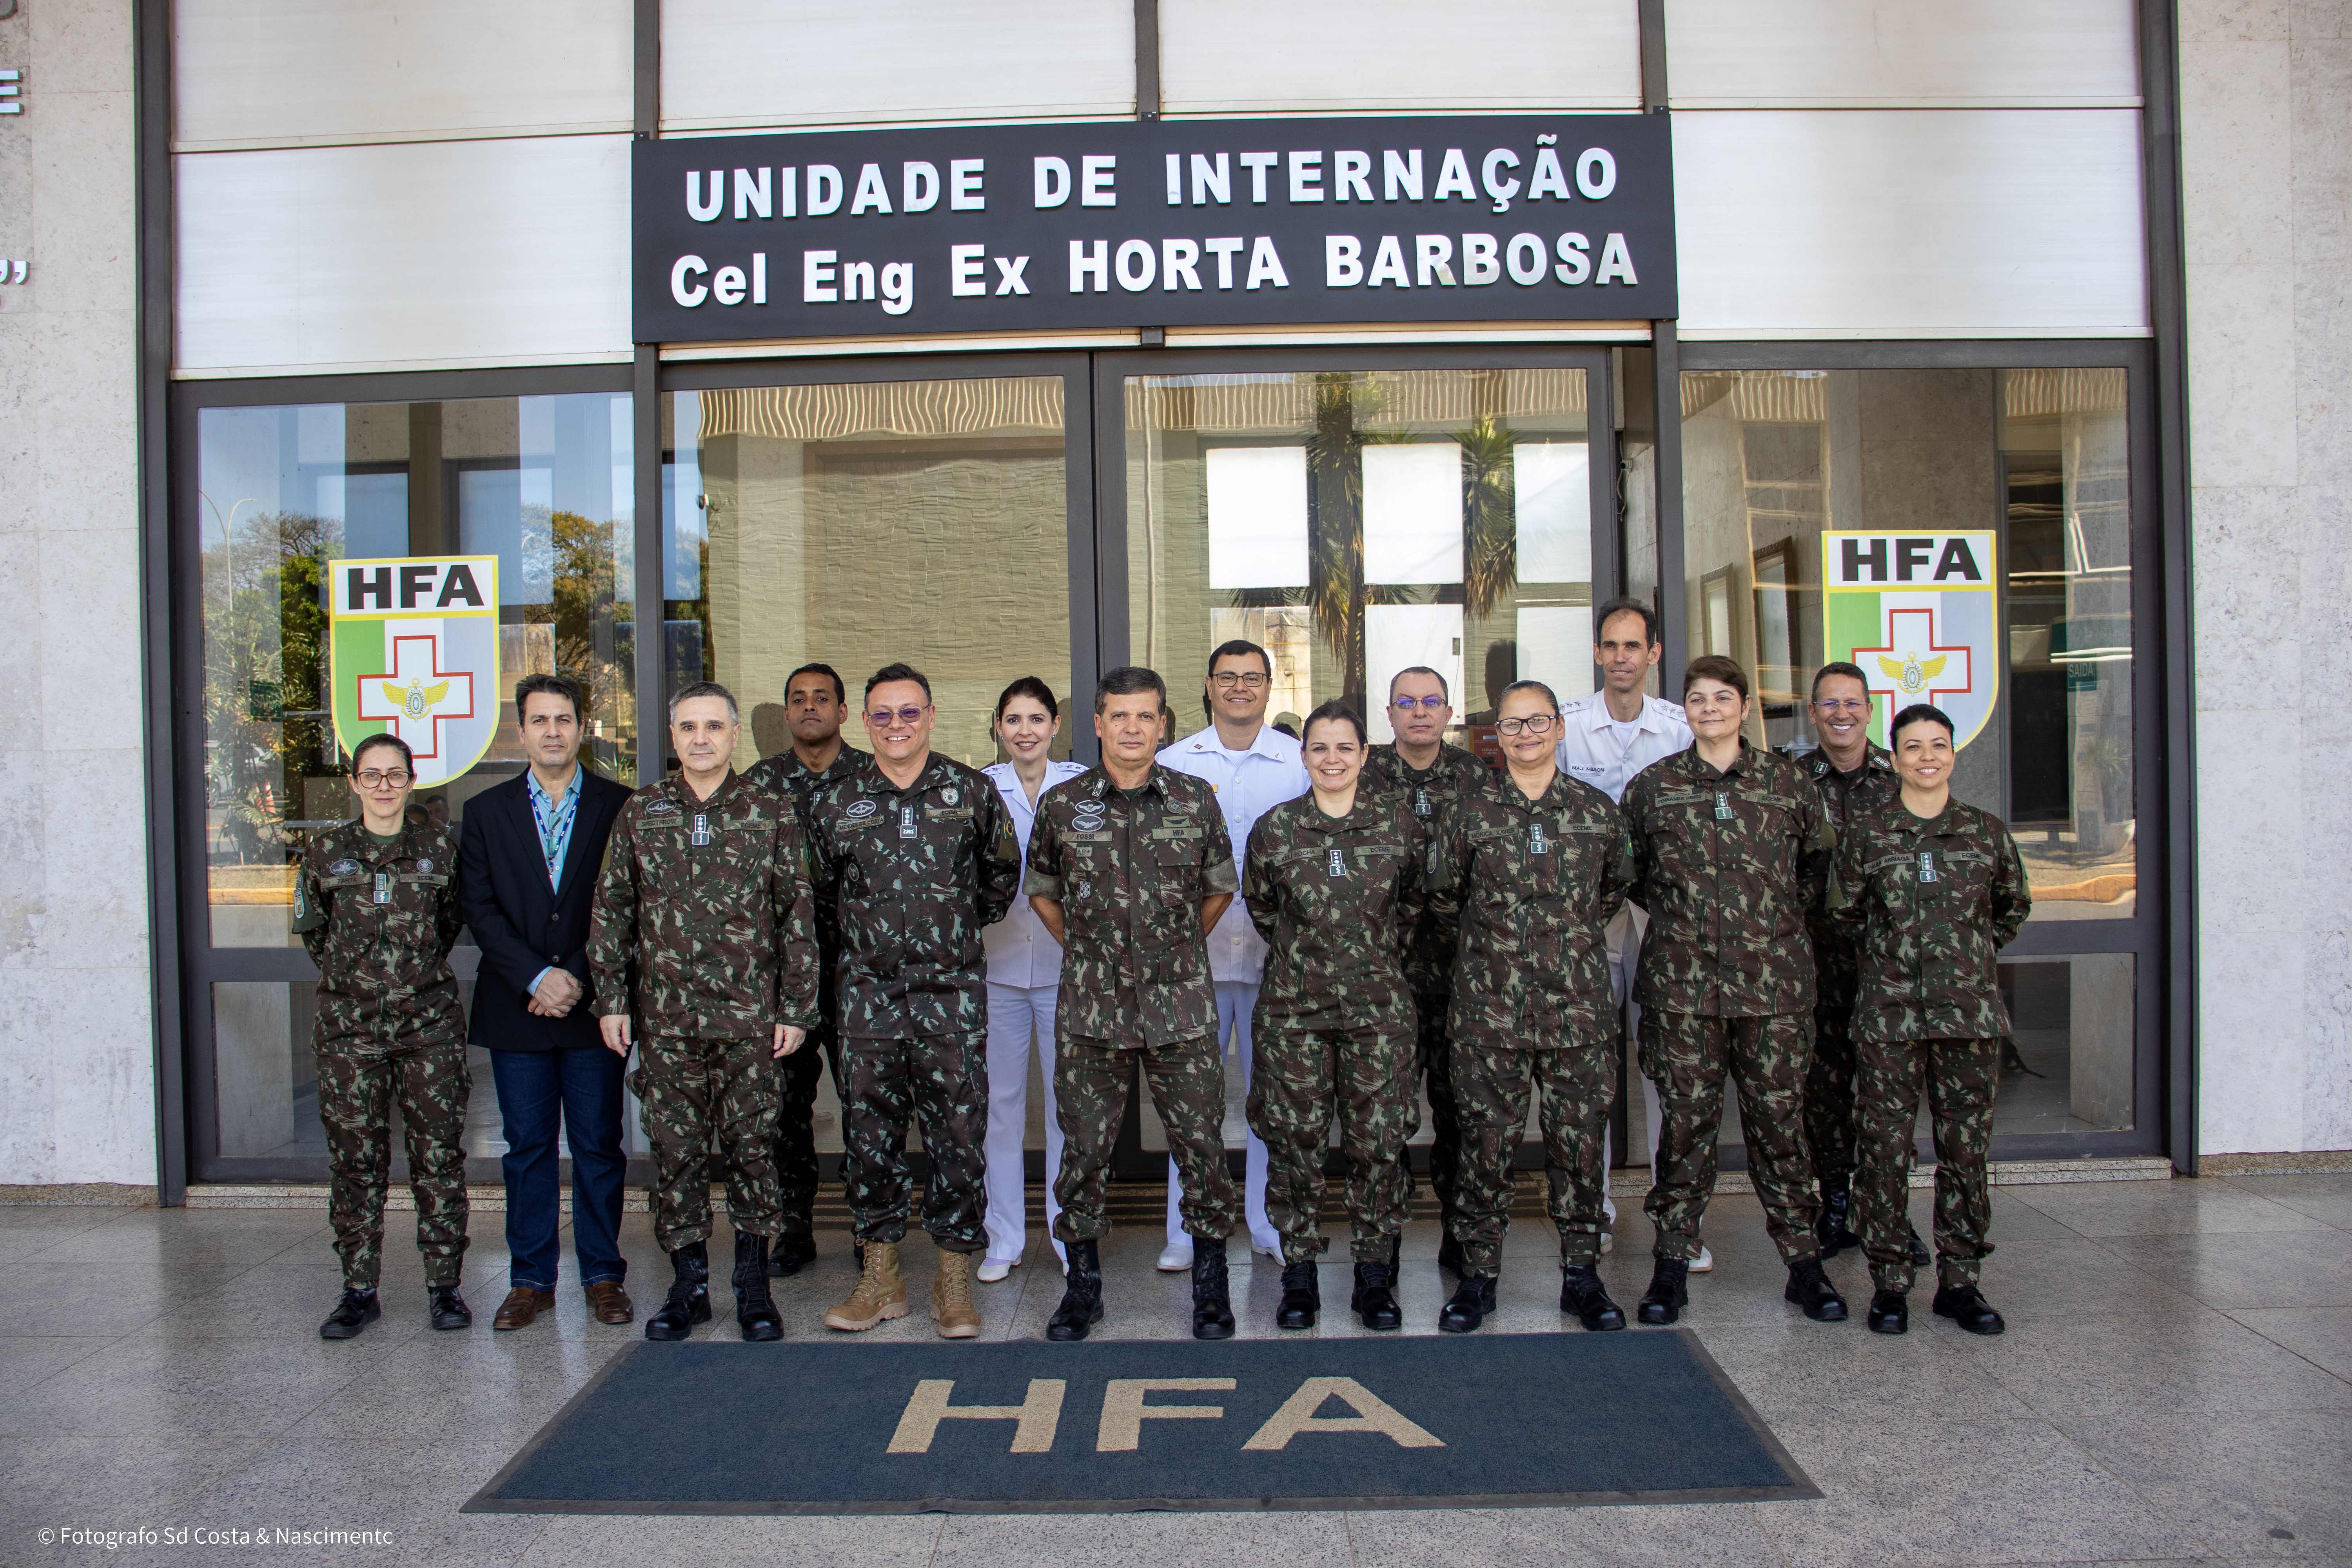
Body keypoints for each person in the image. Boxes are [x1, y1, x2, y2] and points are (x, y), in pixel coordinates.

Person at [588, 681, 818, 1343]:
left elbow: (796, 915)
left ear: (734, 734)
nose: (700, 738)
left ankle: (752, 1287)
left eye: (713, 727)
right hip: (666, 1023)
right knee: (678, 1156)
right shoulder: (643, 812)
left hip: (749, 1021)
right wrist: (612, 1001)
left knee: (754, 1153)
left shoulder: (769, 810)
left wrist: (796, 1009)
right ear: (672, 735)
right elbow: (612, 913)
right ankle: (688, 1286)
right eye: (688, 727)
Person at [1622, 656, 1845, 1327]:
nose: (1711, 709)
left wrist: (1764, 926)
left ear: (1744, 708)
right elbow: (1629, 874)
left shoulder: (1788, 785)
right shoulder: (1653, 788)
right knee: (1685, 1131)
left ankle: (1804, 1266)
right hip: (1684, 991)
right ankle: (1671, 1264)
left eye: (1723, 698)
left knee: (1781, 1131)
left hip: (1773, 991)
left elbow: (1819, 870)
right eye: (1698, 699)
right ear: (1684, 710)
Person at [1025, 666, 1245, 1342]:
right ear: (1097, 724)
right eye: (1118, 716)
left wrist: (1168, 951)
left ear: (1161, 724)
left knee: (1202, 1147)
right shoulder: (1064, 805)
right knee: (1084, 1151)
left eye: (1144, 716)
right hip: (1092, 1010)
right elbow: (1043, 892)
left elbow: (1218, 891)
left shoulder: (1193, 799)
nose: (1131, 728)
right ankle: (1082, 1289)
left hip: (1180, 1009)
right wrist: (1097, 952)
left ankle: (1210, 1289)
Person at [806, 664, 1023, 1339]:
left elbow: (1000, 879)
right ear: (861, 722)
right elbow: (818, 898)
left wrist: (947, 935)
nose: (896, 726)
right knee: (870, 1142)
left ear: (931, 716)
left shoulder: (972, 791)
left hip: (951, 999)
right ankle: (882, 1278)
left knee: (958, 1140)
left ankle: (954, 1281)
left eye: (908, 713)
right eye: (882, 715)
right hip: (867, 1002)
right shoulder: (837, 799)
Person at [1428, 682, 1635, 1334]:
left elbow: (1615, 888)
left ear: (1560, 728)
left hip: (1577, 1011)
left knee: (1578, 1148)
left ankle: (1582, 1277)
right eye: (1513, 725)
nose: (1526, 734)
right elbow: (1440, 899)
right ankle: (1478, 1278)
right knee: (1485, 1147)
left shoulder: (1596, 811)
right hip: (1490, 1012)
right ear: (1496, 735)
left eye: (1538, 722)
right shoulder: (1468, 812)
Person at [1832, 703, 2031, 1337]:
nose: (1926, 757)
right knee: (1885, 1153)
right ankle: (1890, 1282)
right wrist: (1898, 965)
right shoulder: (1867, 835)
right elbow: (1844, 914)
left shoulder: (1985, 833)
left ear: (1952, 755)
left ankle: (1961, 1282)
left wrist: (1959, 961)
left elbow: (2009, 909)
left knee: (1964, 1153)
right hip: (1889, 1020)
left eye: (1937, 745)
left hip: (1967, 1018)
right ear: (1893, 759)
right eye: (1912, 747)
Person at [457, 673, 636, 1331]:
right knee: (527, 1148)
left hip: (595, 1011)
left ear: (583, 729)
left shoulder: (623, 806)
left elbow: (629, 906)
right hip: (518, 1009)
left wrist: (577, 978)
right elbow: (479, 908)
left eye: (565, 719)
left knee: (597, 1144)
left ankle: (603, 1275)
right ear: (522, 730)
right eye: (540, 720)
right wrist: (537, 977)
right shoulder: (485, 812)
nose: (554, 731)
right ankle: (530, 1279)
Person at [1242, 699, 1425, 1331]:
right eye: (1319, 748)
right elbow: (1264, 909)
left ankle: (1375, 1272)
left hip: (1379, 1014)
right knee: (1296, 1145)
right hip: (1295, 1013)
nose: (1332, 759)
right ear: (1304, 756)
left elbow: (1417, 907)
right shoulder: (1276, 829)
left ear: (1365, 754)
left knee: (1379, 1145)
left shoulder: (1398, 824)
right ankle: (1299, 1271)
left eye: (1345, 748)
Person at [293, 733, 472, 1340]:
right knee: (356, 1165)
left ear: (412, 780)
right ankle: (358, 1289)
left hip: (429, 1029)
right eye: (372, 776)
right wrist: (363, 985)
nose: (384, 787)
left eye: (395, 775)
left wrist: (404, 983)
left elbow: (447, 926)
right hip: (349, 1035)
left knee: (438, 1159)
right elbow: (316, 936)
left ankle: (445, 1287)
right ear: (354, 782)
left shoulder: (439, 852)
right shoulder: (325, 853)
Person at [1554, 598, 1699, 1267]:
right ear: (1597, 653)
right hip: (1590, 914)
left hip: (1664, 913)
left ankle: (1678, 1215)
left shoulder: (1680, 727)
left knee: (1666, 1064)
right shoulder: (1567, 727)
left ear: (1653, 654)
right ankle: (1596, 1210)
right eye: (1610, 646)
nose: (1620, 658)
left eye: (1632, 646)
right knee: (1588, 1065)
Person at [1155, 639, 1307, 1270]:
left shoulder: (1298, 761)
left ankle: (1268, 1221)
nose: (1240, 688)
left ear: (1269, 688)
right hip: (1200, 962)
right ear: (1210, 686)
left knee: (1272, 1099)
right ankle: (1188, 1228)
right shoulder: (1173, 762)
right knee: (1192, 1102)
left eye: (1253, 678)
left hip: (1280, 962)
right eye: (1228, 678)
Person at [1791, 661, 1926, 1268]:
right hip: (1816, 963)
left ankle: (1888, 1210)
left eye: (1852, 703)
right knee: (1822, 1092)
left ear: (1869, 711)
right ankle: (1837, 1203)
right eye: (1829, 704)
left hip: (1886, 968)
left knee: (1887, 1094)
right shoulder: (1793, 783)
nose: (1841, 714)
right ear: (1813, 712)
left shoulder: (1900, 778)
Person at [744, 662, 873, 1276]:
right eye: (798, 699)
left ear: (844, 712)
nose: (810, 707)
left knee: (866, 1109)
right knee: (784, 1112)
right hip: (782, 980)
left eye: (823, 698)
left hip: (859, 974)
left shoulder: (873, 779)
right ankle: (794, 1229)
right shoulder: (759, 785)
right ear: (786, 712)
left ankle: (868, 1230)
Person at [1359, 664, 1488, 1271]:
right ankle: (1382, 1241)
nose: (1419, 711)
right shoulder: (1362, 774)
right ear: (1388, 714)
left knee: (1459, 1110)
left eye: (1431, 701)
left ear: (1448, 711)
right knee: (1384, 1115)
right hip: (1383, 977)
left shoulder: (1477, 778)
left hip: (1463, 974)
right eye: (1405, 702)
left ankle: (1459, 1233)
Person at [977, 678, 1089, 1283]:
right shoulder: (977, 788)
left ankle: (1068, 1231)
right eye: (1014, 719)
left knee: (1066, 1108)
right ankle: (1004, 1237)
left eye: (1037, 719)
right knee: (1001, 1106)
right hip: (996, 969)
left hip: (1063, 969)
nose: (1025, 730)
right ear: (999, 726)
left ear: (1054, 727)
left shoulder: (1082, 787)